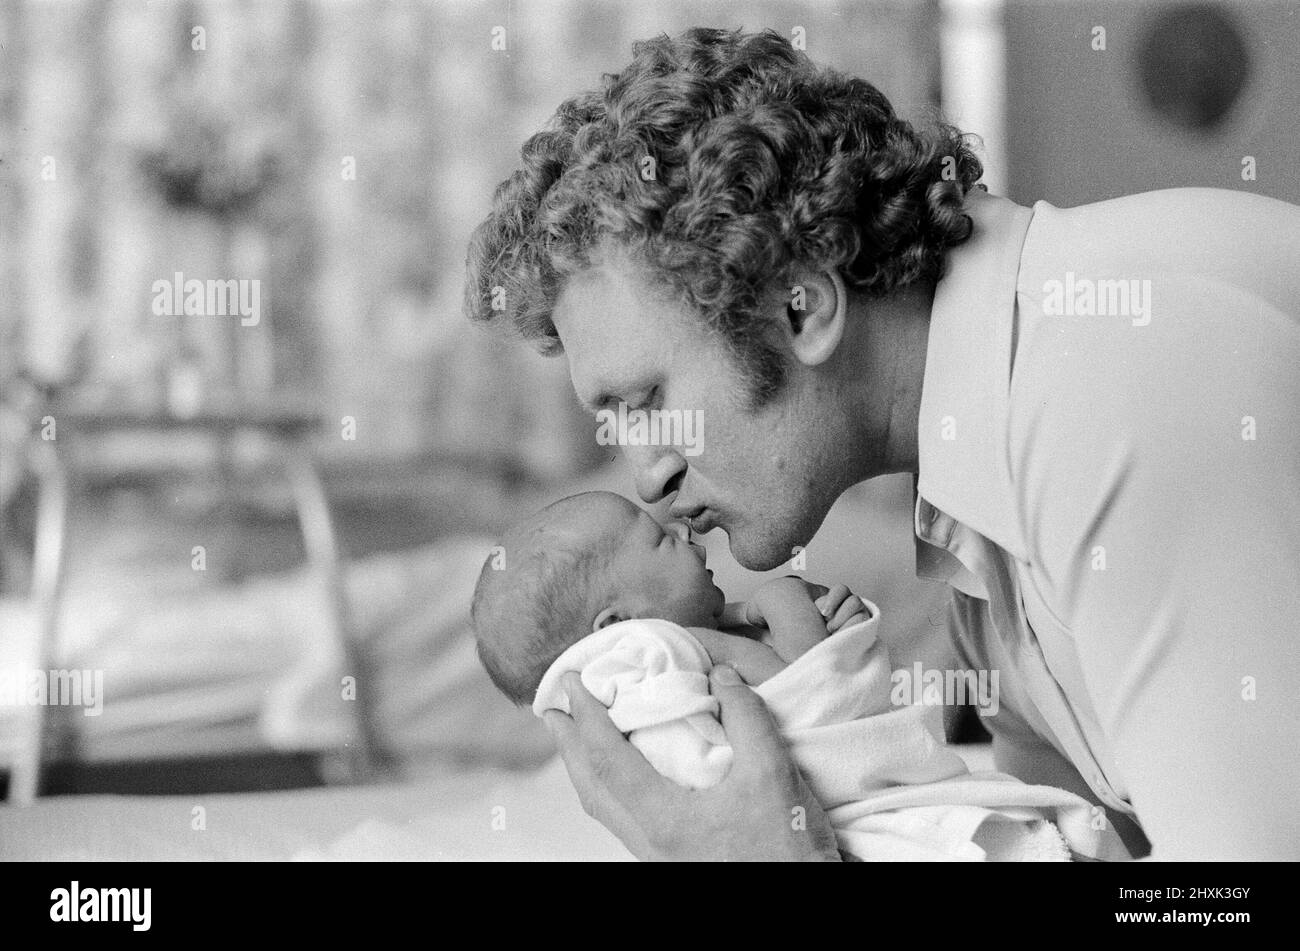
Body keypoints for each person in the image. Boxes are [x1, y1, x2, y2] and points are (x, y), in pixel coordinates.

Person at [464, 27, 1300, 860]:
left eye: (648, 402)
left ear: (803, 307)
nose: (647, 475)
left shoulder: (1109, 388)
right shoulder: (976, 516)